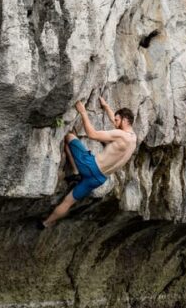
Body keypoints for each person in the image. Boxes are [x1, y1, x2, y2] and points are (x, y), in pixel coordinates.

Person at [40, 97, 137, 228]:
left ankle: (75, 171)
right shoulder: (133, 139)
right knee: (68, 202)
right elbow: (116, 124)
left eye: (117, 120)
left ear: (124, 120)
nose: (114, 122)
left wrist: (83, 112)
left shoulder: (120, 135)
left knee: (69, 136)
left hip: (90, 166)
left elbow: (92, 134)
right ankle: (46, 223)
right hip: (99, 179)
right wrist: (106, 107)